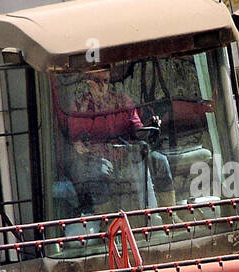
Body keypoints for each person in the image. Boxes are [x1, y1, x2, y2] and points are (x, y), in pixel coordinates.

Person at [60, 65, 175, 212]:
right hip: (97, 159)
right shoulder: (78, 106)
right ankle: (108, 221)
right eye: (97, 81)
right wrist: (86, 151)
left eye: (105, 81)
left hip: (127, 156)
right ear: (88, 81)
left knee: (160, 161)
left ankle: (169, 215)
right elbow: (76, 142)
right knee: (98, 173)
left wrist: (150, 125)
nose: (102, 86)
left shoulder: (122, 101)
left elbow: (138, 131)